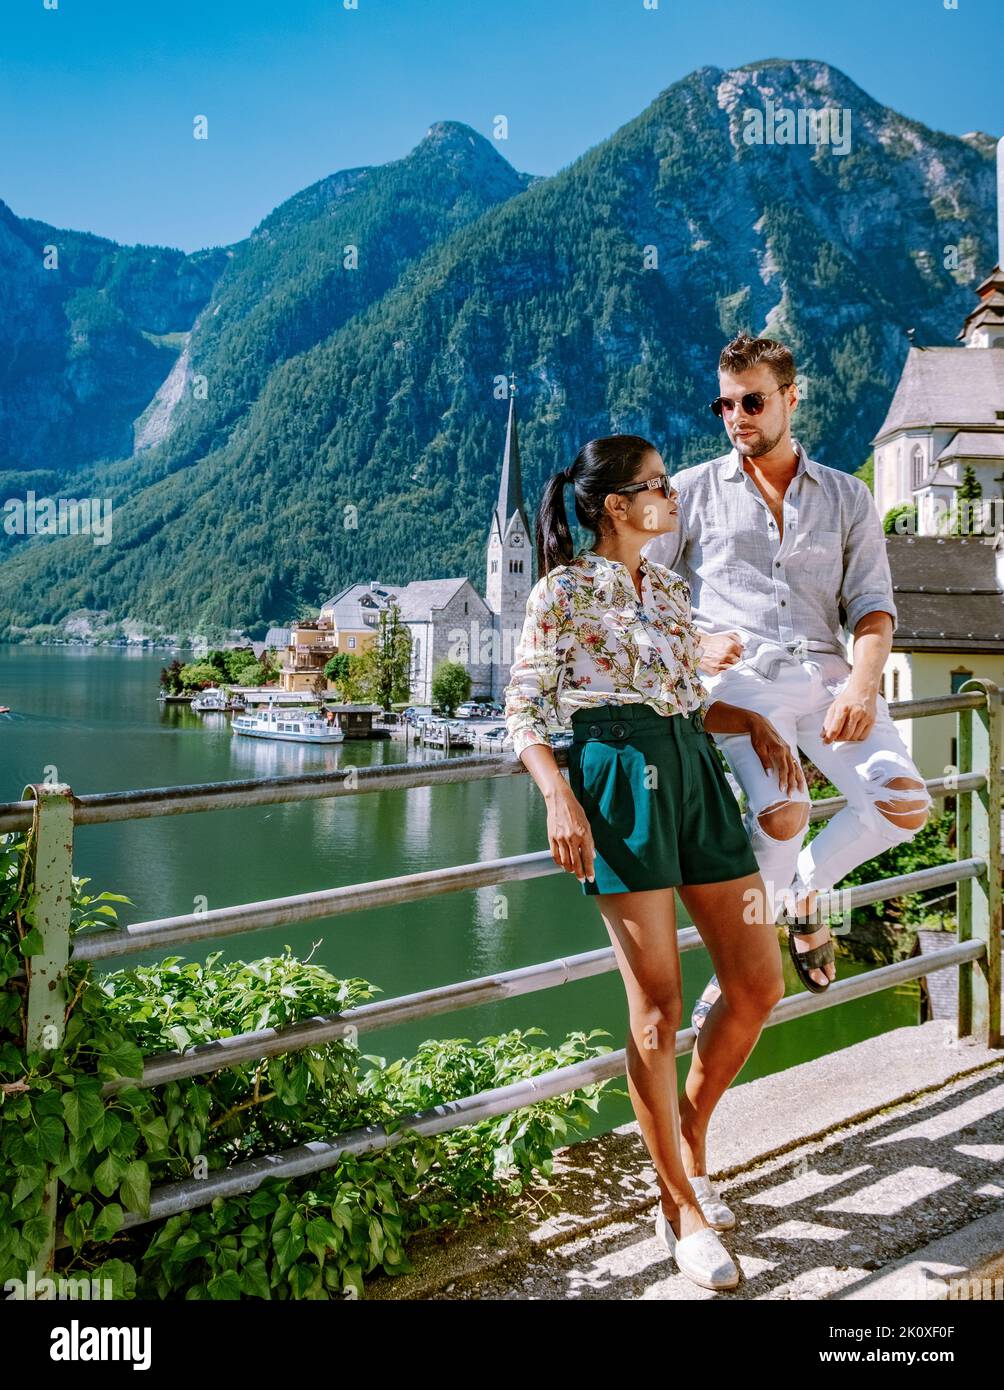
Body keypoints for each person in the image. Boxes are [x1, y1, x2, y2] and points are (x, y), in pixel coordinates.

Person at [503, 434, 797, 1292]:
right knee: (658, 1011)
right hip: (616, 784)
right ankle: (679, 1206)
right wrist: (559, 798)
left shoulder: (668, 591)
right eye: (657, 485)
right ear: (617, 507)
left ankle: (690, 1138)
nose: (672, 495)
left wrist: (748, 721)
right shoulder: (560, 593)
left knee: (757, 983)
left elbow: (684, 704)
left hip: (695, 778)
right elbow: (522, 709)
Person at [643, 334, 932, 1023]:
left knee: (905, 805)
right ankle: (740, 968)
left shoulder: (848, 496)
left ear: (790, 397)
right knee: (782, 811)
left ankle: (804, 894)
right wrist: (694, 637)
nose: (735, 415)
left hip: (830, 676)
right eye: (724, 403)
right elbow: (637, 589)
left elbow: (871, 606)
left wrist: (865, 686)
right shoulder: (688, 490)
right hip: (739, 682)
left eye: (752, 401)